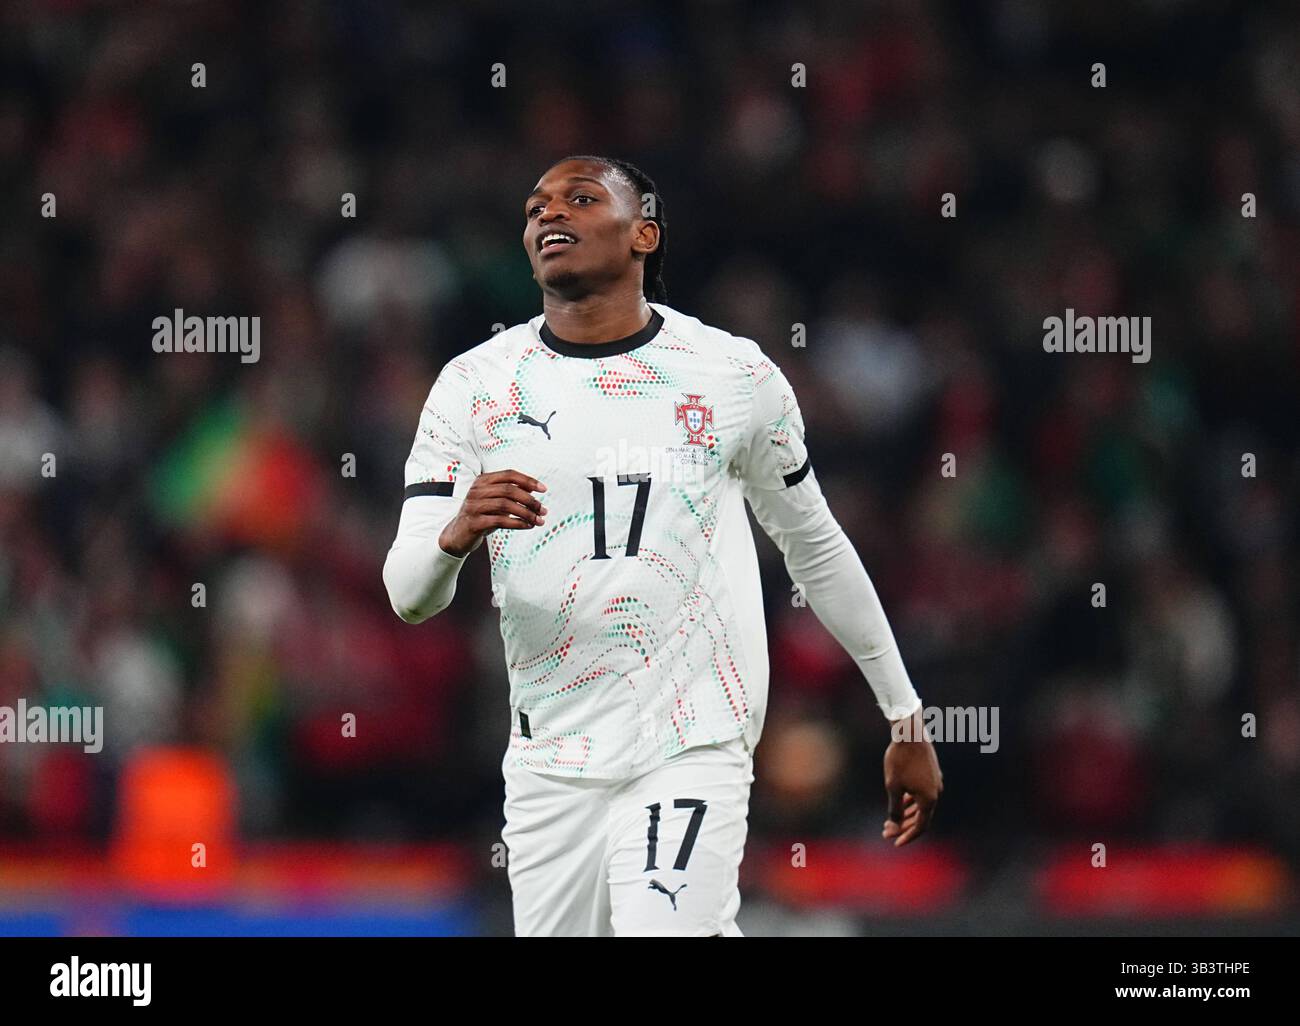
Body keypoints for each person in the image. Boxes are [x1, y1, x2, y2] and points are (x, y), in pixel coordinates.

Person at [383, 155, 943, 936]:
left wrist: (904, 714)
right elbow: (410, 594)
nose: (551, 215)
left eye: (581, 199)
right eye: (536, 205)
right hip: (553, 760)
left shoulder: (730, 375)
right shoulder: (475, 387)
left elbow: (814, 546)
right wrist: (452, 537)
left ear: (644, 232)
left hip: (690, 736)